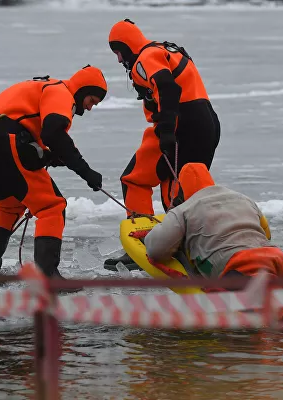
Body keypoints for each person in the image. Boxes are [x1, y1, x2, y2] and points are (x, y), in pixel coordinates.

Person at [144, 163, 283, 320]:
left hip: (243, 267)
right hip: (275, 257)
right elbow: (265, 232)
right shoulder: (241, 198)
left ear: (182, 190)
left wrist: (159, 232)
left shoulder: (184, 209)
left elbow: (156, 249)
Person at [0, 65, 107, 279]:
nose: (90, 107)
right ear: (83, 90)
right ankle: (48, 276)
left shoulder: (41, 86)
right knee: (52, 206)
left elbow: (31, 129)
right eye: (92, 100)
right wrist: (86, 172)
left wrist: (50, 157)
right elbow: (53, 133)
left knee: (8, 206)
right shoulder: (61, 92)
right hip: (5, 142)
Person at [104, 18, 221, 270]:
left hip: (181, 123)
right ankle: (201, 243)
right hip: (206, 122)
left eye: (118, 52)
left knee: (134, 178)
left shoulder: (146, 57)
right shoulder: (165, 49)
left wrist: (167, 130)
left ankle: (145, 238)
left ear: (127, 45)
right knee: (180, 187)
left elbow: (167, 88)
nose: (118, 59)